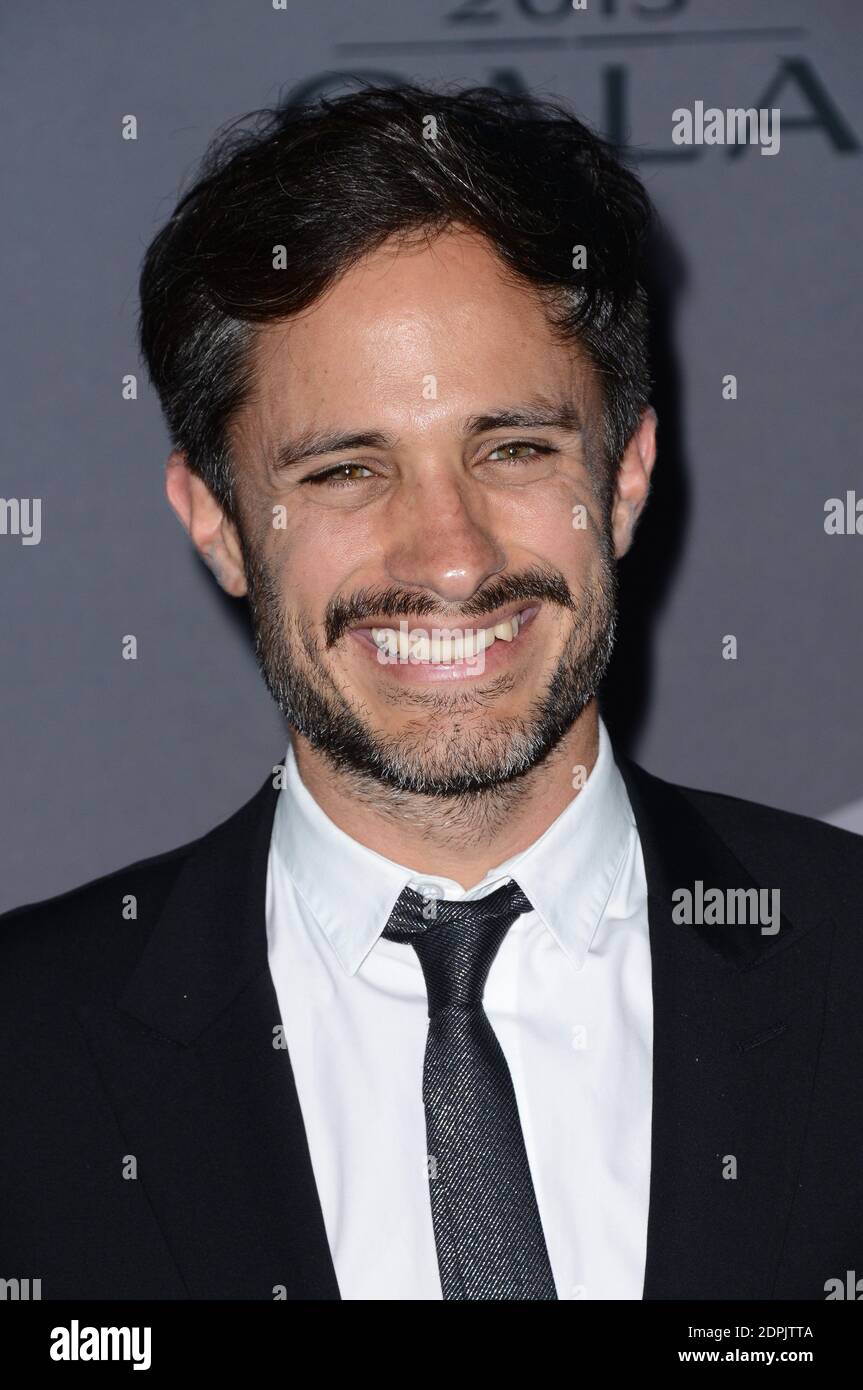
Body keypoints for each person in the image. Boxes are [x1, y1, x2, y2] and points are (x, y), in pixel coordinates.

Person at [2, 85, 860, 1302]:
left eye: (511, 449)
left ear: (621, 477)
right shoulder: (26, 1057)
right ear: (219, 523)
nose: (448, 556)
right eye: (347, 469)